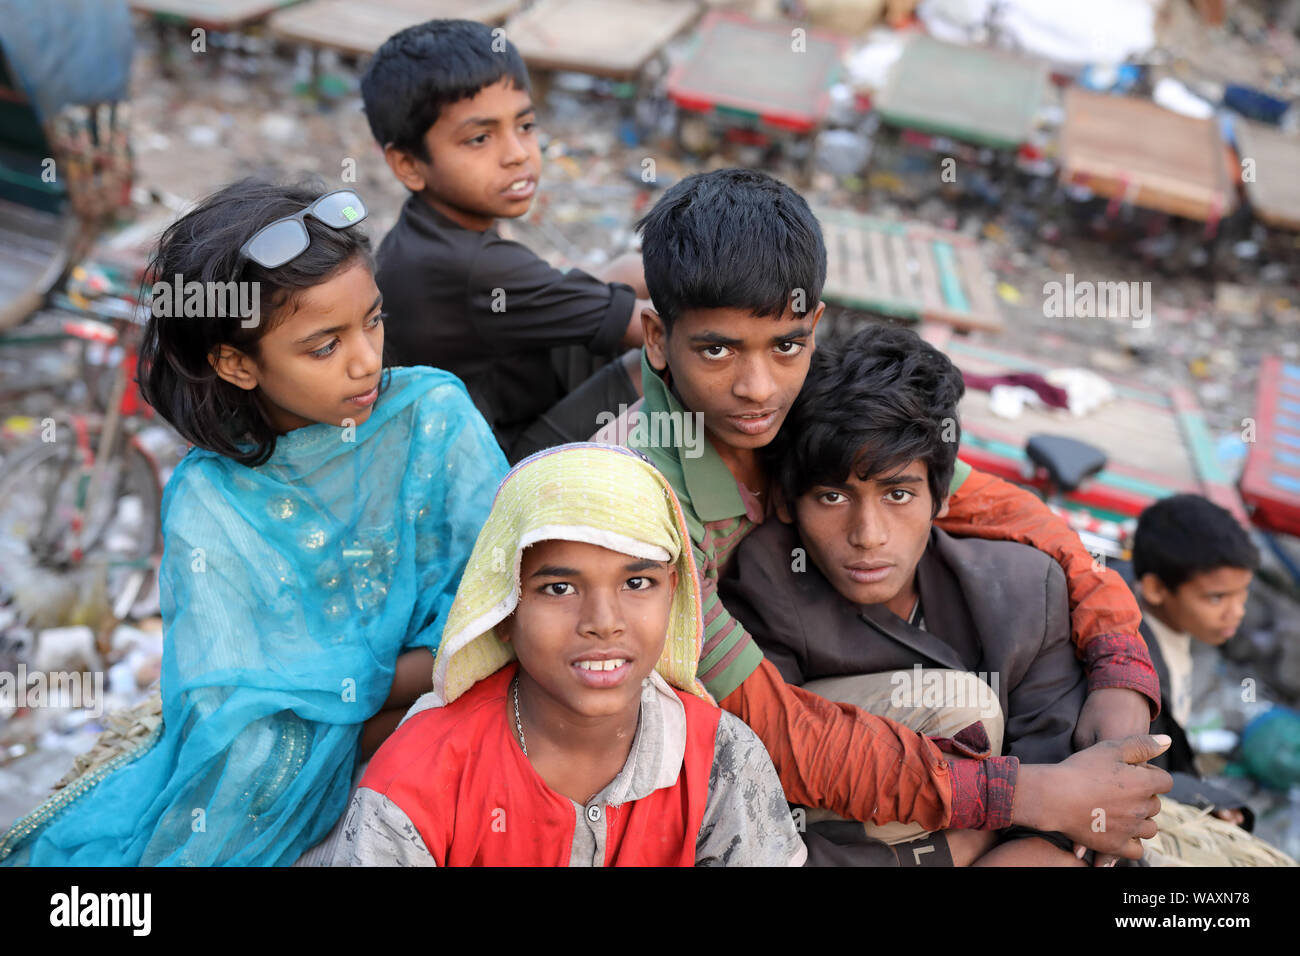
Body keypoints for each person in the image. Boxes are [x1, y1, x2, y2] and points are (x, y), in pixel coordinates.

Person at [595, 168, 1168, 862]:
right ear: (657, 338)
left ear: (814, 326)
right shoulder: (640, 499)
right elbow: (775, 732)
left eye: (787, 343)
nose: (756, 384)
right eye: (716, 349)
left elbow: (1019, 518)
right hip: (641, 765)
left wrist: (1120, 668)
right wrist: (1023, 796)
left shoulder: (782, 408)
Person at [0, 180, 508, 866]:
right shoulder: (210, 499)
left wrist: (378, 681)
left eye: (374, 321)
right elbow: (235, 700)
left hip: (467, 695)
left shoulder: (433, 416)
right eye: (323, 346)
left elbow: (507, 589)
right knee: (248, 761)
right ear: (238, 364)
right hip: (344, 730)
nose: (366, 360)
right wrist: (414, 677)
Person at [722, 326, 1170, 865]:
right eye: (833, 496)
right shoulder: (765, 585)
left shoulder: (1026, 591)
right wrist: (957, 845)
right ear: (789, 504)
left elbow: (1071, 814)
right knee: (963, 707)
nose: (869, 534)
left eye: (898, 494)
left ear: (942, 495)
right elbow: (756, 807)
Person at [339, 443, 806, 866]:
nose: (603, 621)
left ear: (673, 594)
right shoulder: (418, 775)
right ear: (503, 609)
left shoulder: (720, 760)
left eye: (637, 583)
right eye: (559, 588)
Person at [360, 19, 651, 463]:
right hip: (504, 459)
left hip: (511, 393)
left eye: (526, 125)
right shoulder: (474, 266)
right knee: (657, 365)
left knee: (631, 273)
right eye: (480, 138)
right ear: (408, 164)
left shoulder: (427, 227)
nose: (517, 153)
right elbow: (653, 330)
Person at [1131, 493, 1260, 828]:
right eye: (1217, 598)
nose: (1237, 612)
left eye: (1242, 593)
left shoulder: (1171, 624)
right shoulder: (1137, 673)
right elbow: (1134, 776)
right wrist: (1196, 796)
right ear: (1156, 589)